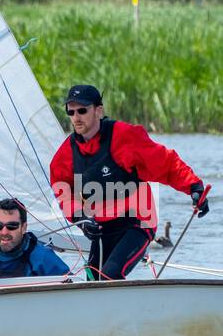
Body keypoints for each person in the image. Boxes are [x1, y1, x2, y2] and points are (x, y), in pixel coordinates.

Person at [50, 84, 209, 281]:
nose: (76, 117)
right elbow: (63, 193)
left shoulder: (125, 137)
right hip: (102, 228)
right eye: (71, 111)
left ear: (99, 111)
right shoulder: (65, 155)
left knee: (109, 277)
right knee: (91, 284)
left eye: (82, 110)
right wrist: (80, 217)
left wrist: (194, 187)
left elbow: (165, 163)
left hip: (137, 222)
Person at [0, 198, 71, 282]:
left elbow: (73, 289)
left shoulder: (43, 257)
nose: (4, 232)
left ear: (24, 228)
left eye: (11, 226)